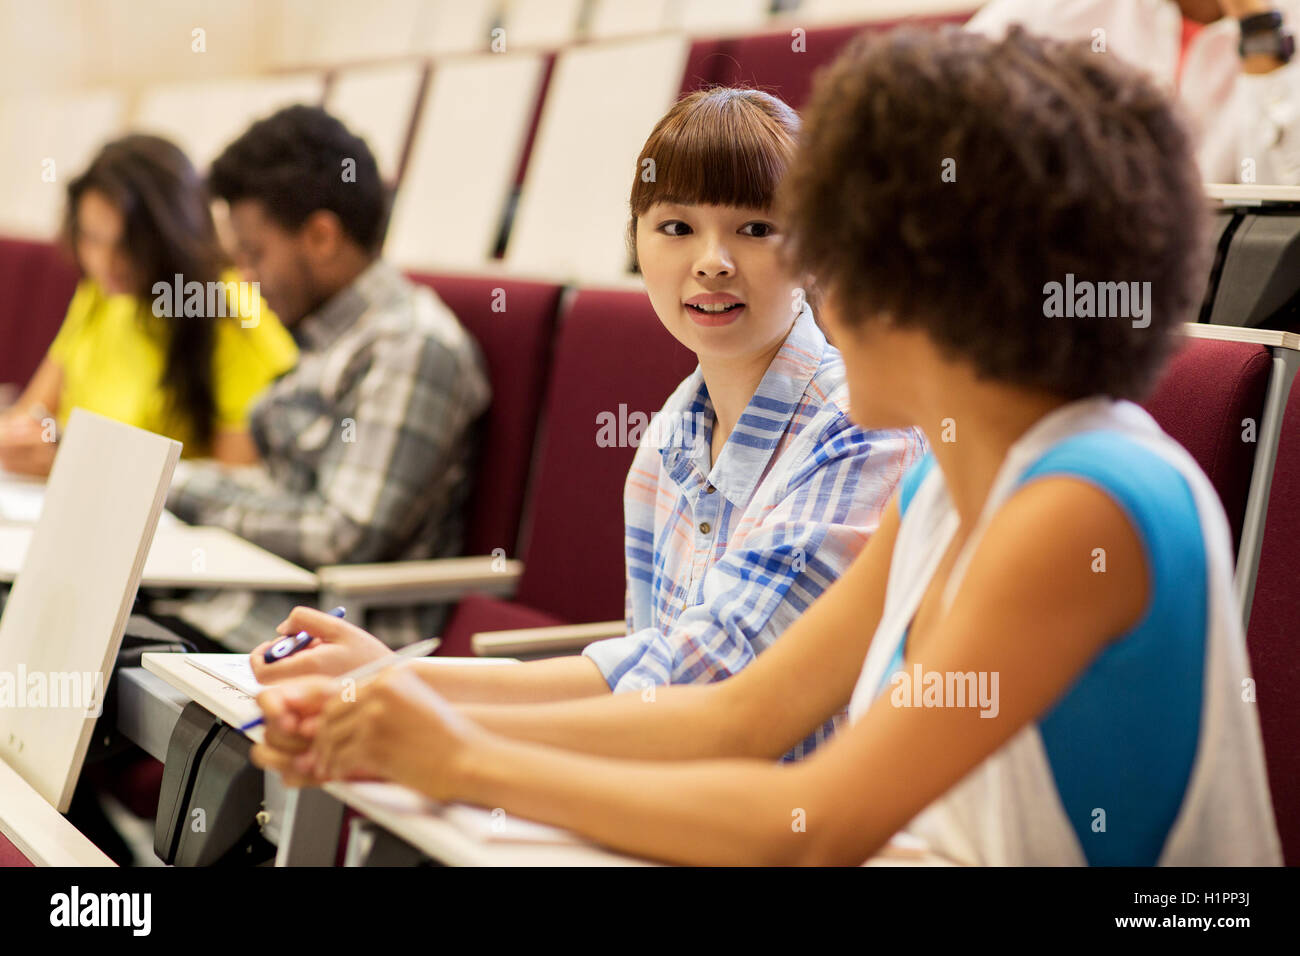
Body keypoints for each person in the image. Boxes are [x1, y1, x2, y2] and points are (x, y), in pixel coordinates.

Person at [253, 27, 1282, 866]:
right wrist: (404, 695)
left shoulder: (1082, 500)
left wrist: (460, 757)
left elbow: (817, 823)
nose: (820, 297)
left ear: (939, 280)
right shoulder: (944, 475)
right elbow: (738, 713)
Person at [248, 88, 924, 761]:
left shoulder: (860, 427)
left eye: (755, 229)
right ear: (635, 244)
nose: (712, 261)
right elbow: (650, 684)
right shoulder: (667, 438)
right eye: (676, 228)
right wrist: (388, 679)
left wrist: (404, 683)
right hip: (664, 791)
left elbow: (712, 668)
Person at [161, 106, 490, 653]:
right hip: (244, 607)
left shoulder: (410, 345)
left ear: (320, 236)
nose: (244, 277)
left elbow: (341, 534)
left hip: (324, 643)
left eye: (254, 253)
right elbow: (283, 491)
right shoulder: (325, 336)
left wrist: (180, 490)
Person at [0, 134, 296, 476]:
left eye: (129, 244)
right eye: (93, 238)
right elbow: (31, 412)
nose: (107, 262)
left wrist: (82, 465)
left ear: (174, 235)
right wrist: (25, 440)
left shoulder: (228, 312)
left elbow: (232, 485)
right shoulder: (103, 292)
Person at [968, 0, 1300, 184]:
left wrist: (1259, 33)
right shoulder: (1056, 10)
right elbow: (939, 89)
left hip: (1238, 286)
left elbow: (1284, 202)